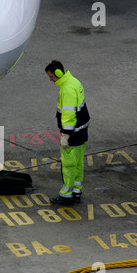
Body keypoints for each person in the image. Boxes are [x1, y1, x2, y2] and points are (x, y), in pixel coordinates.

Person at [45, 60, 91, 204]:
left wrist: (65, 135)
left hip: (73, 133)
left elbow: (69, 115)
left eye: (51, 76)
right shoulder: (73, 81)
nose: (51, 80)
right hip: (82, 130)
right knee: (77, 162)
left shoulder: (67, 89)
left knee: (68, 165)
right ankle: (77, 191)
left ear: (58, 73)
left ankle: (66, 195)